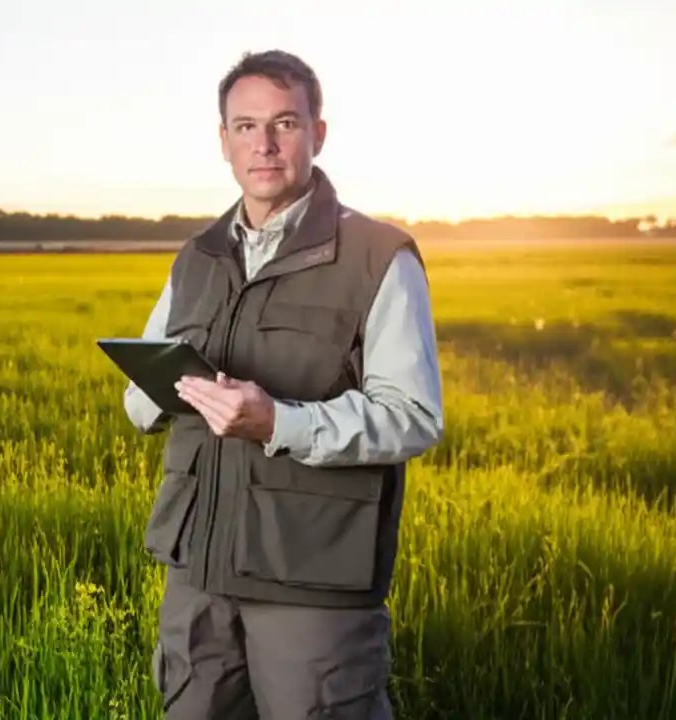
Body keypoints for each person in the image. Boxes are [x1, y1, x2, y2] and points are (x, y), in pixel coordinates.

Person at [123, 49, 444, 719]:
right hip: (198, 576)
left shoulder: (378, 257)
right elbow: (142, 393)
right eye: (245, 126)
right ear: (224, 141)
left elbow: (413, 416)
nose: (263, 145)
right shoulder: (196, 257)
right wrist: (156, 391)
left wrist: (278, 422)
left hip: (312, 586)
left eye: (285, 123)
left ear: (317, 133)